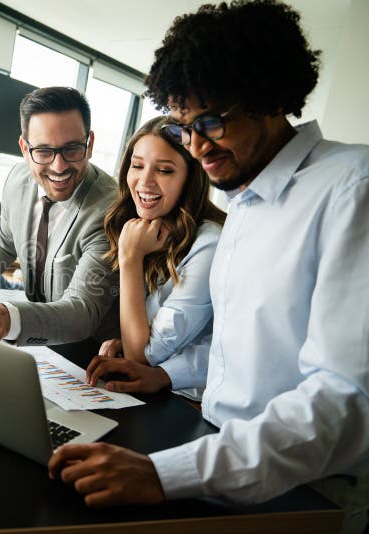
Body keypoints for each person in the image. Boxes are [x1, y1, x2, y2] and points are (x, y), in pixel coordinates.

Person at [48, 2, 369, 530]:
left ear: (268, 97)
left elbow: (345, 400)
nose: (198, 146)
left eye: (212, 122)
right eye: (184, 127)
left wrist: (165, 473)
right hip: (220, 452)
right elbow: (244, 350)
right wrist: (164, 375)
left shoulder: (350, 186)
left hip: (308, 486)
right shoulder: (244, 200)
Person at [0, 87, 119, 346]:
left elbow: (83, 309)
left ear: (90, 144)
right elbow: (5, 241)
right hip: (38, 342)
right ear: (24, 147)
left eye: (72, 149)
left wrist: (10, 316)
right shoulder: (17, 180)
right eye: (43, 151)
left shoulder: (111, 209)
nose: (59, 166)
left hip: (90, 352)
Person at [85, 117, 225, 399]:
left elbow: (143, 357)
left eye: (164, 170)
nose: (145, 181)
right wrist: (125, 342)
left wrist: (130, 259)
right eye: (137, 166)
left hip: (194, 405)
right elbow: (144, 343)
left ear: (190, 179)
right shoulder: (150, 229)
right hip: (160, 395)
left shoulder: (208, 245)